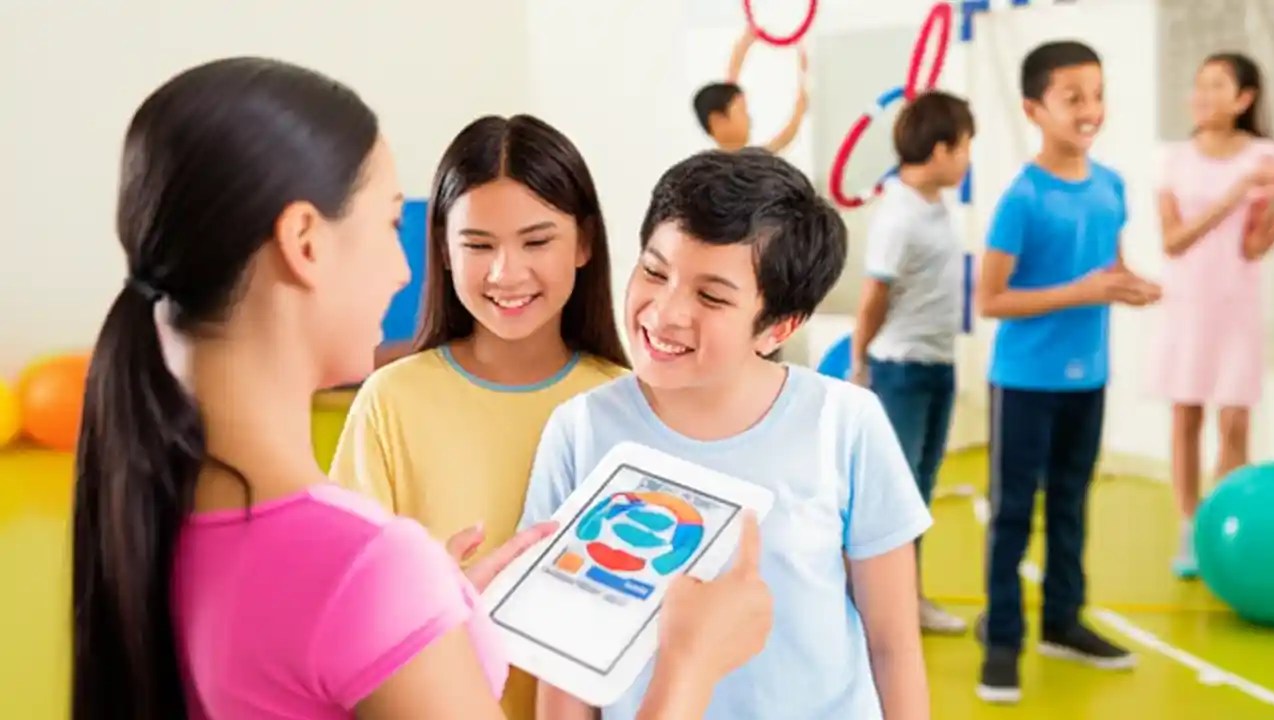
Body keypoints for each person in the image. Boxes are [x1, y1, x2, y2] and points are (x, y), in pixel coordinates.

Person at [69, 56, 774, 720]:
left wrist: (434, 621)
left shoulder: (156, 512)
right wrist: (689, 667)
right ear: (305, 241)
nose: (404, 272)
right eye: (387, 223)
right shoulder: (367, 563)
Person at [522, 149, 932, 720]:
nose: (664, 314)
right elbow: (564, 665)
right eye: (654, 271)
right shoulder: (580, 430)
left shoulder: (845, 424)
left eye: (711, 296)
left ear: (779, 326)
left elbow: (894, 645)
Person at [327, 114, 630, 720]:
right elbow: (341, 619)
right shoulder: (392, 402)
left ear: (585, 243)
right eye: (478, 245)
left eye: (536, 241)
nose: (506, 273)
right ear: (443, 248)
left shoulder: (629, 404)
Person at [974, 40, 1161, 705]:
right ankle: (1001, 638)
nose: (1090, 110)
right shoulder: (1021, 199)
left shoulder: (1111, 186)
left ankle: (1062, 622)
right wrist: (1082, 291)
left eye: (1097, 95)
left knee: (1074, 507)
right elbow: (990, 299)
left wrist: (1132, 285)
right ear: (1035, 108)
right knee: (1013, 514)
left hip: (1089, 379)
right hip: (1024, 382)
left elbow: (1107, 269)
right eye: (1072, 97)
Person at [1152, 52, 1274, 579]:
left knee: (1233, 420)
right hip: (1185, 307)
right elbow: (1174, 241)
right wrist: (1233, 195)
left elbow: (1254, 248)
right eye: (1199, 84)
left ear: (1244, 99)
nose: (1203, 95)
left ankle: (1224, 527)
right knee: (1186, 416)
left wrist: (1272, 205)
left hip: (1236, 308)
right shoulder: (1174, 160)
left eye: (1217, 85)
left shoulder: (1265, 155)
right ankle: (1189, 525)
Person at [852, 89, 975, 636]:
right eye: (966, 145)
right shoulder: (897, 215)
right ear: (942, 149)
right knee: (895, 496)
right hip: (900, 369)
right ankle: (881, 607)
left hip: (937, 365)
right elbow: (874, 296)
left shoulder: (934, 205)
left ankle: (907, 598)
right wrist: (860, 362)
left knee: (919, 493)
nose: (968, 158)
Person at [692, 26, 808, 154]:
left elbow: (732, 80)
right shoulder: (746, 159)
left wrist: (746, 42)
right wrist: (799, 109)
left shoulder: (751, 157)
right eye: (742, 112)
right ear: (717, 121)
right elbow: (783, 139)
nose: (749, 119)